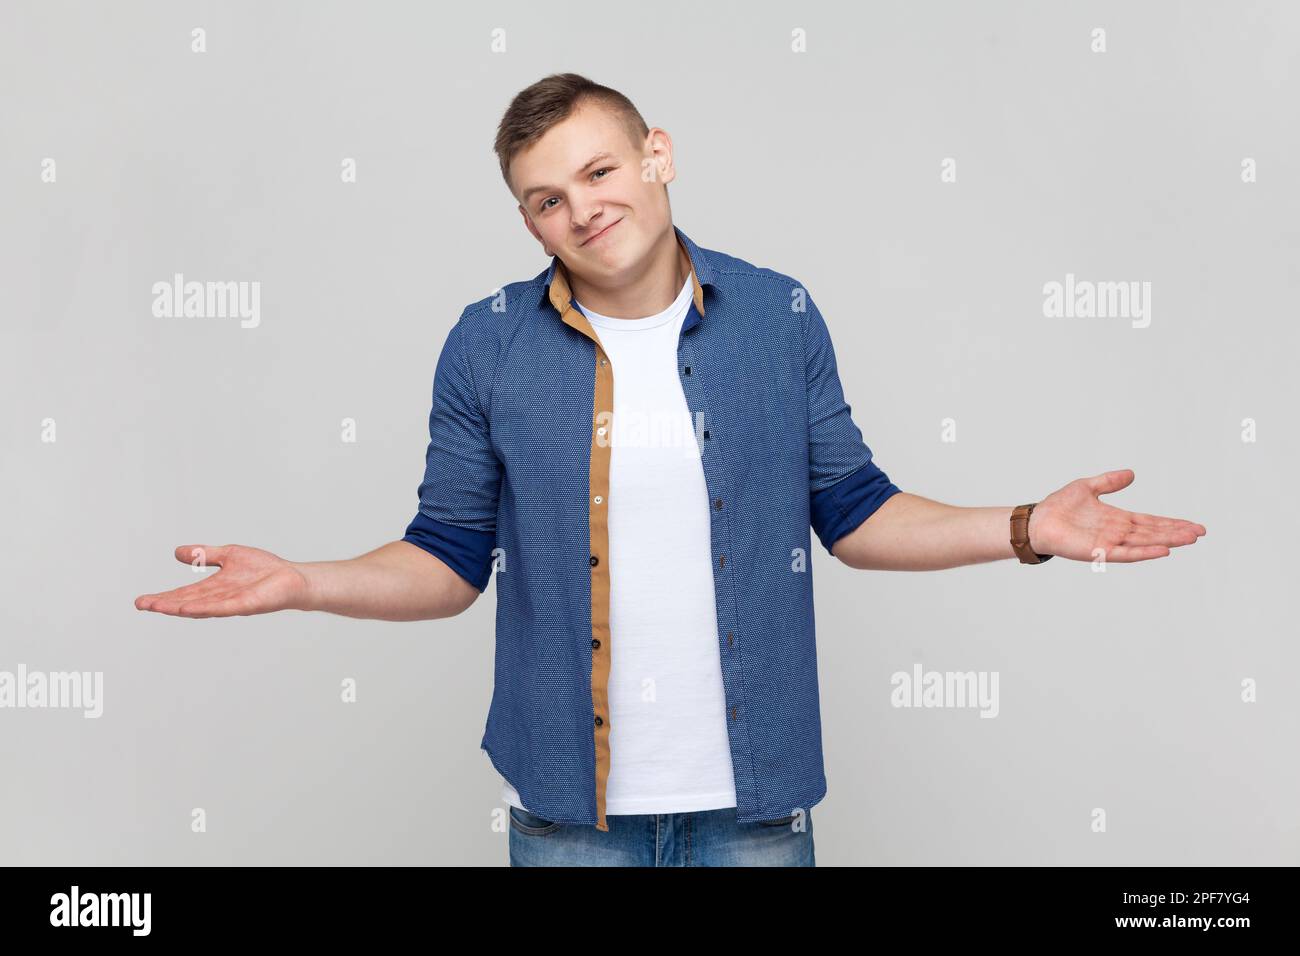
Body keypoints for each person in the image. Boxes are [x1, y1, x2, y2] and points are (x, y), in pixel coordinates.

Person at [134, 73, 1206, 868]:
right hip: (569, 819)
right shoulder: (486, 342)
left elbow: (856, 512)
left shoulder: (777, 315)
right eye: (545, 198)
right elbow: (449, 558)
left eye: (598, 171)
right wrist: (304, 581)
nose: (581, 210)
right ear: (527, 221)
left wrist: (1026, 526)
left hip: (754, 814)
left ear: (658, 156)